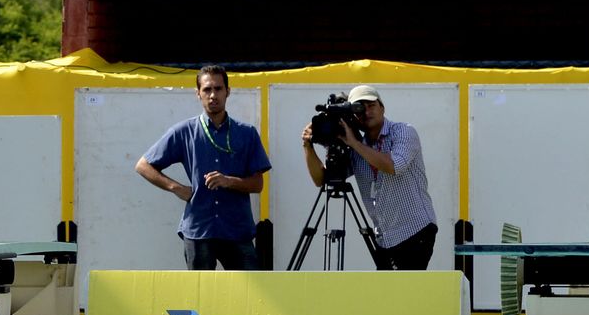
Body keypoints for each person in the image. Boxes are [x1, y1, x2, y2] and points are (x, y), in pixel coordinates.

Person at [135, 65, 271, 270]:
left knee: (249, 289)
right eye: (207, 89)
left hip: (236, 228)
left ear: (228, 91)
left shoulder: (246, 133)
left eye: (218, 88)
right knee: (200, 290)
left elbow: (257, 184)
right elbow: (143, 166)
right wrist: (176, 188)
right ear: (198, 93)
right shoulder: (184, 131)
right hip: (199, 229)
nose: (213, 95)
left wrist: (228, 181)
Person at [302, 85, 439, 270]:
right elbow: (322, 179)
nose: (366, 112)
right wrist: (308, 147)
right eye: (359, 108)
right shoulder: (357, 146)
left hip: (415, 230)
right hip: (384, 238)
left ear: (382, 107)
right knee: (386, 289)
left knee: (405, 288)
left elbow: (394, 166)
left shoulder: (403, 131)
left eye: (371, 105)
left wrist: (354, 143)